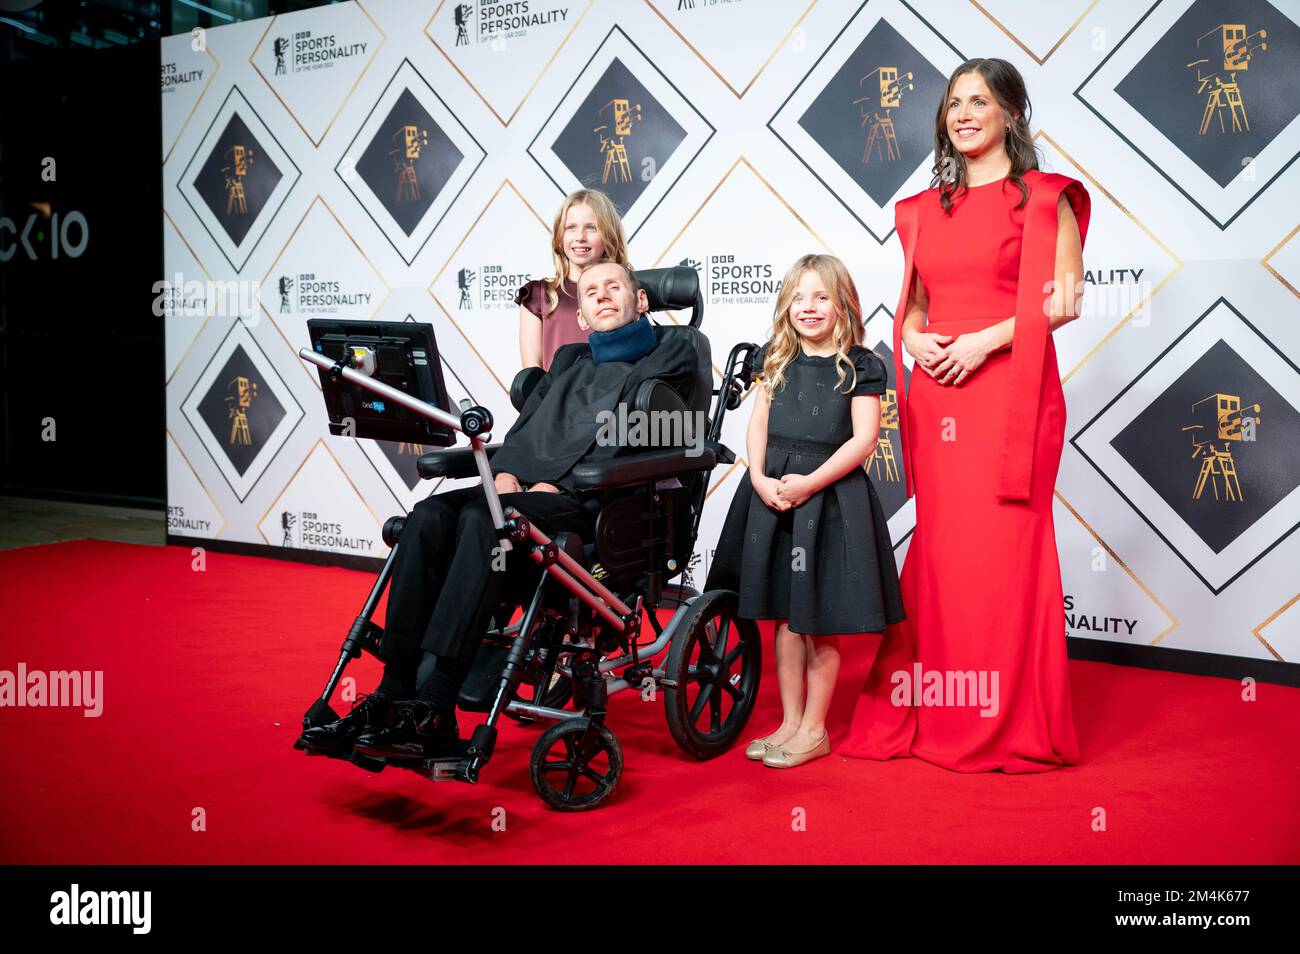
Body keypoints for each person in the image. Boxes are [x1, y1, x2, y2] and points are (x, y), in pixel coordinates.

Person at [296, 261, 696, 761]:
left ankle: (437, 700)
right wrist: (505, 471)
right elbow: (529, 428)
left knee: (484, 522)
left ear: (642, 302)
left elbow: (641, 428)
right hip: (529, 489)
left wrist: (556, 482)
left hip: (594, 500)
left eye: (616, 287)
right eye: (590, 292)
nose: (602, 295)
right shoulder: (570, 359)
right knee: (429, 518)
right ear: (584, 317)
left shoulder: (675, 348)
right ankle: (394, 691)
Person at [841, 57, 1090, 773]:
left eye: (979, 101)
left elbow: (1063, 300)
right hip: (938, 393)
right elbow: (915, 304)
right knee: (944, 549)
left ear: (1012, 112)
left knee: (1007, 549)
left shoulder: (1048, 199)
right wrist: (914, 338)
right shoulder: (924, 210)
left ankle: (1010, 716)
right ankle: (937, 703)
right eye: (954, 103)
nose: (963, 114)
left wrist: (984, 341)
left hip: (1010, 389)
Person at [705, 254, 905, 769]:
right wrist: (757, 478)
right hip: (773, 491)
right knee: (785, 620)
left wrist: (810, 483)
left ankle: (815, 729)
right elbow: (759, 421)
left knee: (817, 618)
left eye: (821, 297)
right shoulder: (773, 357)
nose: (808, 308)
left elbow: (864, 440)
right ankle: (790, 723)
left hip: (830, 497)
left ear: (843, 304)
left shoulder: (862, 364)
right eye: (798, 297)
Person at [517, 189, 632, 370]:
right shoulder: (538, 295)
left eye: (591, 228)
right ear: (560, 237)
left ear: (609, 235)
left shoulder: (625, 292)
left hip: (612, 395)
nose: (580, 237)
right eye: (571, 228)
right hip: (553, 397)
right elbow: (530, 375)